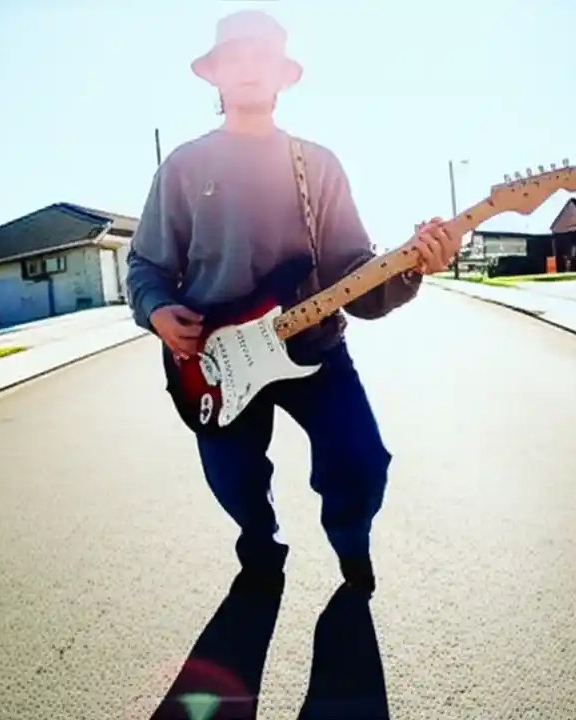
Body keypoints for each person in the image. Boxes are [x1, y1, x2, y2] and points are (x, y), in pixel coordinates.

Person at [126, 9, 459, 598]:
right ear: (215, 76)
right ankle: (261, 545)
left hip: (313, 342)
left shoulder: (317, 164)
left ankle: (351, 543)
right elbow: (146, 266)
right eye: (236, 57)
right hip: (213, 358)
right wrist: (156, 311)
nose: (249, 69)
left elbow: (356, 275)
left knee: (362, 462)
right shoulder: (183, 166)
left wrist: (412, 268)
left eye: (263, 57)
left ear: (283, 75)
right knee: (235, 481)